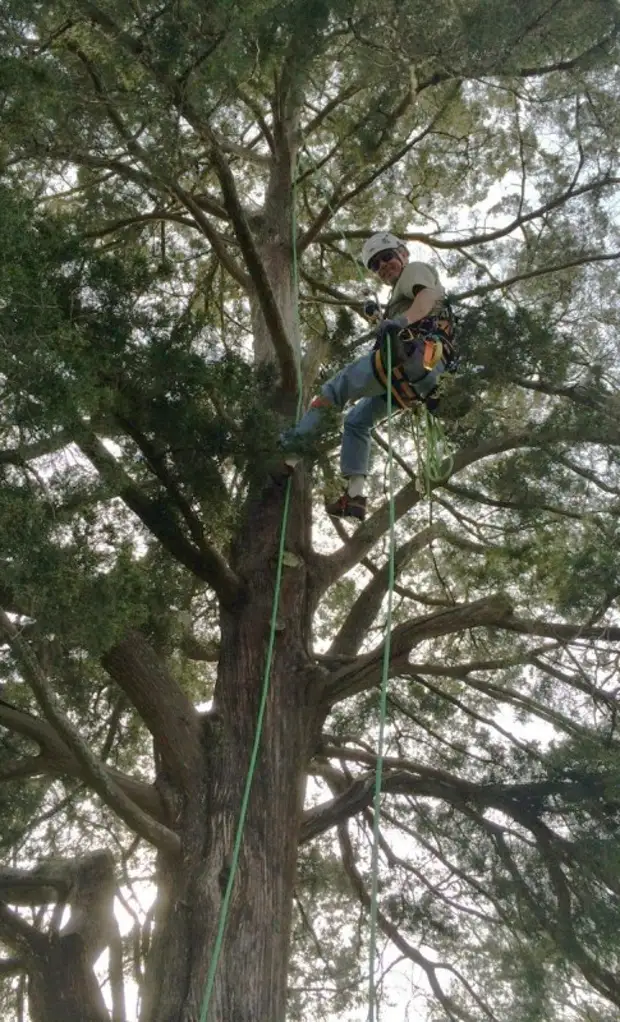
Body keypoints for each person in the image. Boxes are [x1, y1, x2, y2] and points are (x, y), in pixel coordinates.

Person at [278, 232, 457, 522]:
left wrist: (399, 321)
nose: (383, 265)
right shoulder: (399, 293)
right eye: (375, 264)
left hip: (411, 356)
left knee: (334, 389)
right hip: (414, 378)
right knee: (357, 421)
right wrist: (379, 316)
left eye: (387, 257)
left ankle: (289, 453)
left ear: (403, 253)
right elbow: (404, 318)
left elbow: (426, 297)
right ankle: (355, 497)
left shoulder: (415, 270)